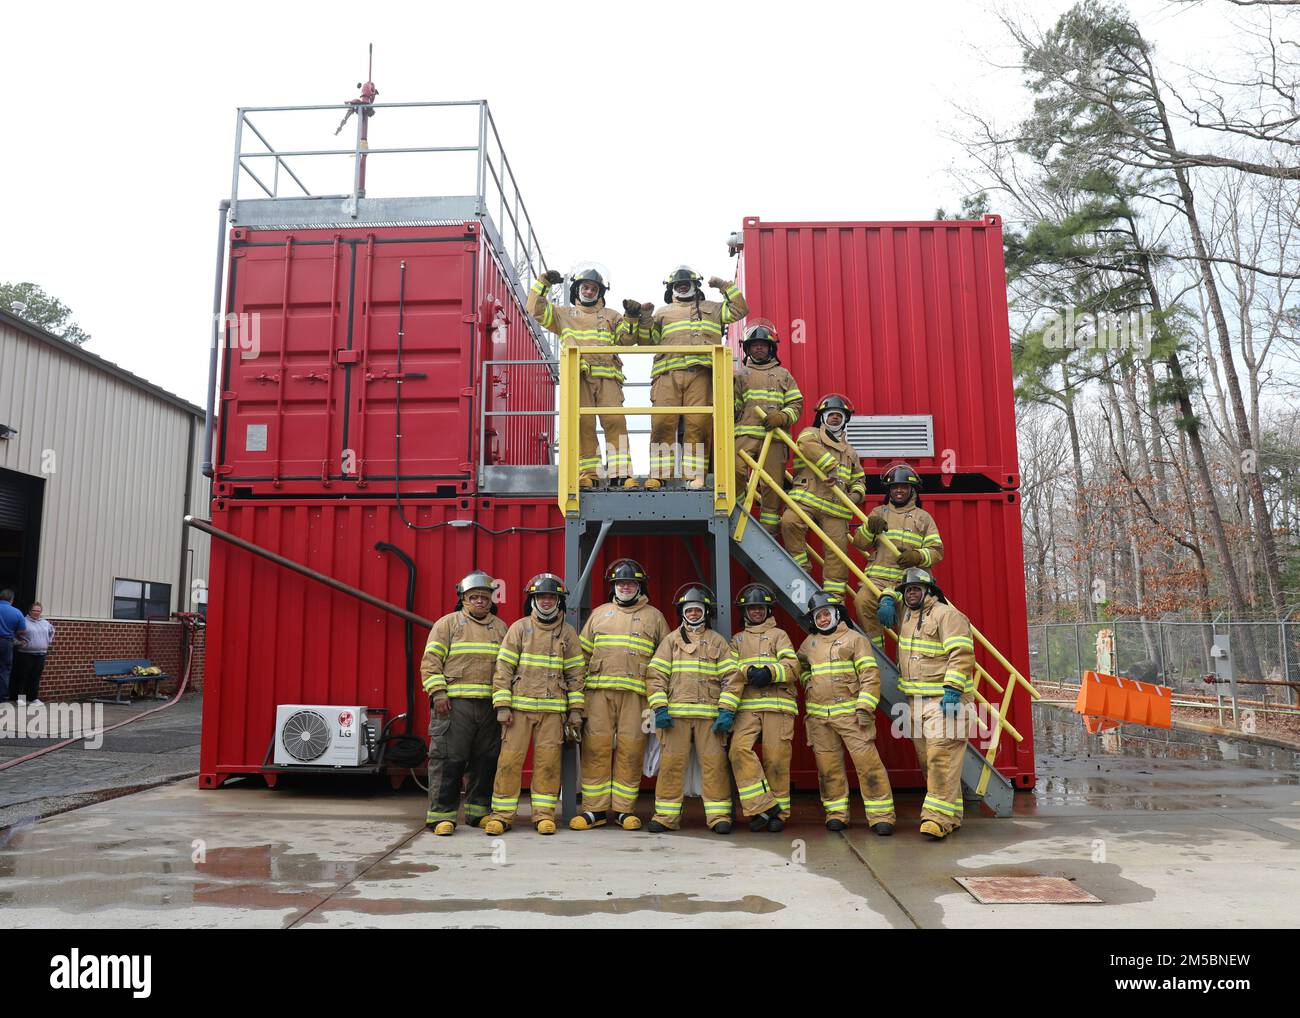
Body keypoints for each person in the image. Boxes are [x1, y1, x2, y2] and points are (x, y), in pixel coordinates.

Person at [571, 559, 669, 831]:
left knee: (631, 750)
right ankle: (595, 810)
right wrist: (578, 698)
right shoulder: (600, 614)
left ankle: (624, 811)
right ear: (613, 586)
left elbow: (665, 661)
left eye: (630, 583)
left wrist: (659, 700)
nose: (625, 586)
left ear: (640, 586)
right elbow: (581, 657)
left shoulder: (655, 617)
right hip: (598, 694)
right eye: (620, 583)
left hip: (638, 698)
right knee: (595, 749)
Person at [485, 574, 586, 836]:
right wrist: (503, 705)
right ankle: (503, 815)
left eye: (551, 597)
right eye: (541, 597)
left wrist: (575, 711)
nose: (546, 601)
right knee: (509, 762)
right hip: (518, 710)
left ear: (559, 602)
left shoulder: (568, 633)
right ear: (532, 600)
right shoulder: (519, 628)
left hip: (553, 711)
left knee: (548, 764)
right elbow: (503, 668)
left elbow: (576, 675)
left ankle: (543, 815)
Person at [528, 266, 644, 489]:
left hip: (608, 378)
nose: (589, 292)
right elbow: (536, 310)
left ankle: (621, 473)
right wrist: (543, 283)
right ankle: (588, 473)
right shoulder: (563, 314)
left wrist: (631, 316)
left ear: (600, 292)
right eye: (585, 287)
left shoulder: (612, 316)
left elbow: (628, 340)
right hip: (578, 378)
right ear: (577, 290)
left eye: (593, 288)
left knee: (615, 422)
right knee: (583, 424)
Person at [796, 591, 896, 834]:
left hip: (852, 716)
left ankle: (881, 816)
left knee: (868, 764)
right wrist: (808, 681)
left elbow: (870, 676)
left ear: (837, 614)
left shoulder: (855, 640)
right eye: (818, 616)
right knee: (828, 768)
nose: (822, 620)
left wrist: (864, 706)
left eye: (826, 614)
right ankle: (836, 813)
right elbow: (800, 666)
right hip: (819, 719)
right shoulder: (809, 643)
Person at [645, 584, 742, 833]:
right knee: (671, 765)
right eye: (690, 610)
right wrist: (660, 708)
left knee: (714, 765)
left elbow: (732, 678)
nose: (694, 614)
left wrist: (726, 711)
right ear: (682, 613)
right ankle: (665, 817)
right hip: (675, 717)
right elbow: (655, 676)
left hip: (709, 717)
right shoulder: (670, 641)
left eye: (698, 610)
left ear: (705, 612)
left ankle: (719, 816)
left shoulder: (717, 642)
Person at [419, 572, 509, 835]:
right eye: (474, 598)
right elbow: (431, 662)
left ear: (491, 599)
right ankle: (441, 817)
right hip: (453, 706)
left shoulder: (501, 628)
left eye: (484, 597)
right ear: (463, 599)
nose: (480, 602)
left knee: (485, 760)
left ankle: (477, 812)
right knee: (449, 760)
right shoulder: (447, 624)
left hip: (489, 707)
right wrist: (438, 694)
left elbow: (507, 667)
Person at [645, 266, 748, 490]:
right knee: (662, 423)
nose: (682, 286)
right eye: (677, 284)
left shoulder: (714, 308)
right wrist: (643, 317)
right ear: (671, 289)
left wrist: (723, 285)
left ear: (696, 286)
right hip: (667, 376)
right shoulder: (662, 313)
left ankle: (694, 476)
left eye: (686, 282)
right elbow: (647, 341)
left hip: (701, 375)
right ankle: (660, 475)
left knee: (698, 425)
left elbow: (740, 309)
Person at [895, 568, 975, 840]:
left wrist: (952, 690)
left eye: (917, 588)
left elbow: (961, 654)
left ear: (929, 590)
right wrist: (884, 599)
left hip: (945, 701)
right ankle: (951, 816)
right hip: (916, 703)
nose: (911, 593)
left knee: (941, 758)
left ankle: (935, 820)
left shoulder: (947, 615)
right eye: (907, 590)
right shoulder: (906, 616)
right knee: (929, 763)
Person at [727, 583, 799, 832]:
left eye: (760, 608)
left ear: (768, 610)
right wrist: (748, 671)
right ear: (744, 612)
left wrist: (769, 672)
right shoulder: (736, 640)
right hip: (747, 708)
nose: (756, 612)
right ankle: (764, 807)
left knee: (776, 760)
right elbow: (730, 669)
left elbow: (792, 667)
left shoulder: (780, 635)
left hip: (778, 706)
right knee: (738, 751)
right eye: (751, 608)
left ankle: (779, 815)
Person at [851, 464, 944, 653]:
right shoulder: (878, 513)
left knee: (910, 625)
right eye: (894, 487)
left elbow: (937, 551)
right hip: (877, 581)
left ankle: (907, 666)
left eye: (903, 487)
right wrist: (870, 528)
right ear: (889, 490)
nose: (899, 491)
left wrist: (917, 556)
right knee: (862, 601)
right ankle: (877, 655)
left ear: (912, 489)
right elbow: (860, 543)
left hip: (909, 583)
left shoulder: (923, 518)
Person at [781, 394, 866, 600]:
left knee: (837, 554)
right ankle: (801, 567)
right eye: (831, 415)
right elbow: (806, 445)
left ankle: (835, 598)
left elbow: (859, 481)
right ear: (822, 417)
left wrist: (853, 497)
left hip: (836, 508)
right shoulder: (810, 433)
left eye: (839, 416)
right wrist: (831, 467)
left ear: (845, 420)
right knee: (789, 521)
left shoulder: (851, 452)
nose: (835, 418)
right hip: (806, 497)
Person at [734, 320, 803, 535]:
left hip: (774, 437)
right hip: (744, 434)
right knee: (735, 472)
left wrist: (782, 416)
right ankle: (735, 515)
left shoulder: (784, 375)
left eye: (763, 344)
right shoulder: (739, 375)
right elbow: (732, 406)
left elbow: (796, 405)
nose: (759, 348)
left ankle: (768, 532)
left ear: (771, 347)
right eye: (754, 345)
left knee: (772, 486)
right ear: (748, 348)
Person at [12, 601, 54, 705]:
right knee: (23, 676)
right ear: (29, 611)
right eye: (34, 610)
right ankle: (20, 698)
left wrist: (48, 641)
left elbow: (52, 631)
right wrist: (18, 642)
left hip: (41, 654)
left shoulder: (45, 622)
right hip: (25, 654)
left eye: (38, 611)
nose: (36, 612)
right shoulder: (23, 622)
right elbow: (13, 634)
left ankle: (33, 698)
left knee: (35, 677)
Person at [0, 589, 28, 703]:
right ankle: (2, 697)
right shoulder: (17, 612)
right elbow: (23, 631)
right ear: (12, 599)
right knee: (4, 670)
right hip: (6, 643)